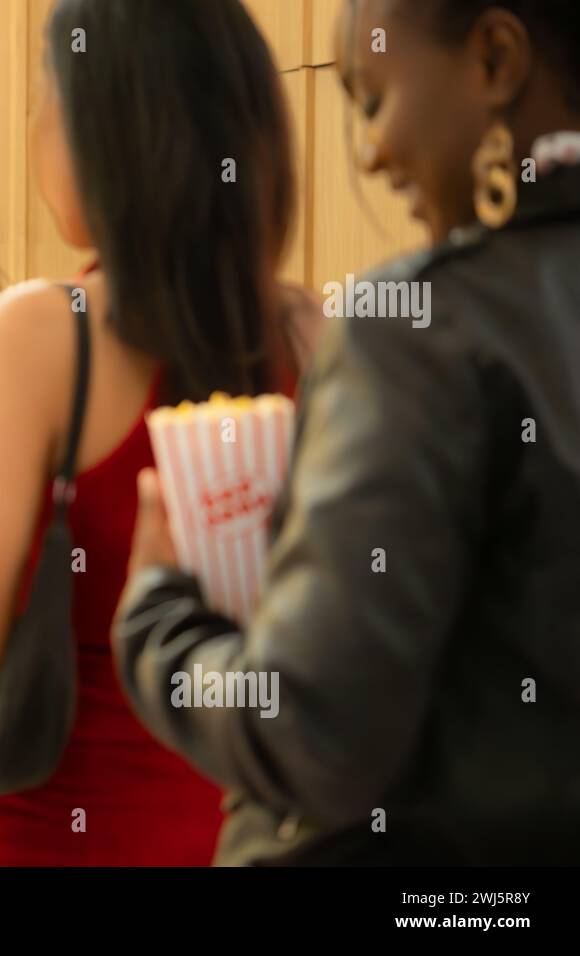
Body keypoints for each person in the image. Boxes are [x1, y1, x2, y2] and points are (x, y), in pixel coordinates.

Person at [114, 0, 580, 864]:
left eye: (372, 100)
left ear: (495, 60)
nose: (368, 152)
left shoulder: (418, 327)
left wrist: (158, 616)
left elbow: (310, 730)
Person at [0, 0, 314, 866]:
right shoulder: (305, 332)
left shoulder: (41, 330)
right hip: (229, 835)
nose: (38, 130)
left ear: (110, 135)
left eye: (48, 101)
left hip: (42, 836)